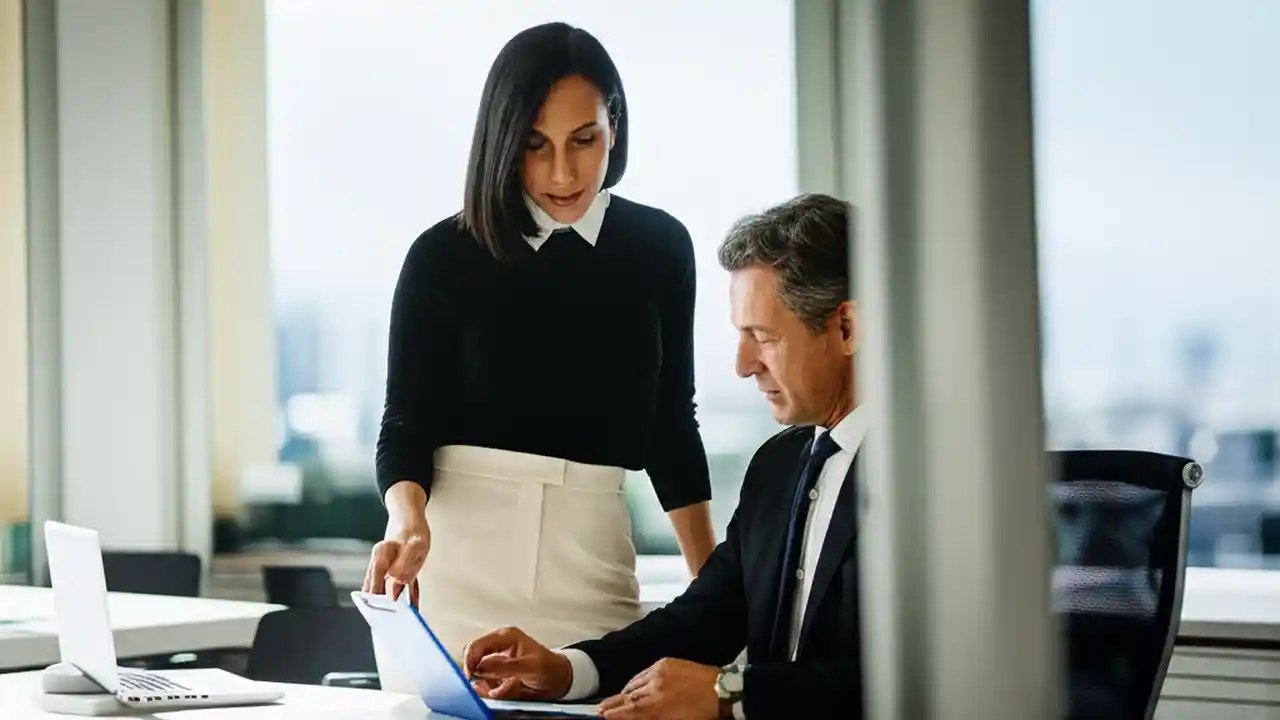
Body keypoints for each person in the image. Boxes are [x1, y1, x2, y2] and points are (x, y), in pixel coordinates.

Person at [362, 22, 718, 670]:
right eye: (534, 145)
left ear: (615, 123)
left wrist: (719, 591)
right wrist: (404, 519)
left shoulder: (661, 250)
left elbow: (672, 426)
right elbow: (405, 420)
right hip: (454, 574)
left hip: (595, 571)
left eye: (584, 140)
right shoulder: (443, 256)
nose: (562, 171)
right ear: (502, 143)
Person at [462, 194, 864, 719]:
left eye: (763, 337)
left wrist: (731, 696)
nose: (744, 365)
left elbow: (906, 672)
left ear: (846, 328)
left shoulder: (931, 478)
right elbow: (698, 623)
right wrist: (565, 670)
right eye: (740, 336)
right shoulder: (778, 467)